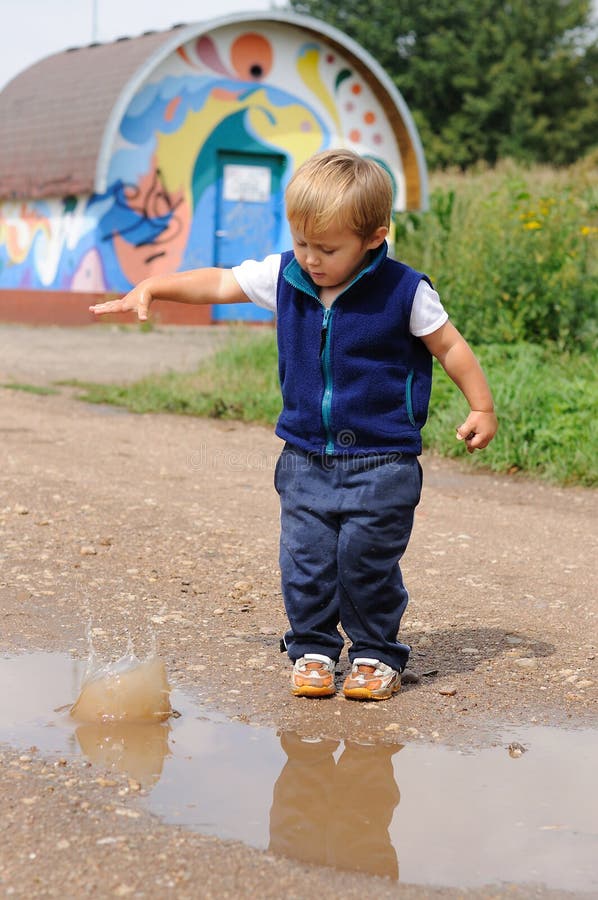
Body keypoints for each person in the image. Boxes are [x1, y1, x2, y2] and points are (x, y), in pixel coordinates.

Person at [90, 148, 498, 702]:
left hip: (383, 463)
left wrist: (481, 406)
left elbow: (448, 346)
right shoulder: (286, 274)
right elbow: (217, 283)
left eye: (327, 248)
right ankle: (312, 648)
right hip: (305, 457)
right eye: (302, 242)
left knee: (364, 562)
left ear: (374, 238)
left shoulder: (405, 291)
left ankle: (376, 655)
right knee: (304, 560)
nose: (310, 258)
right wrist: (154, 287)